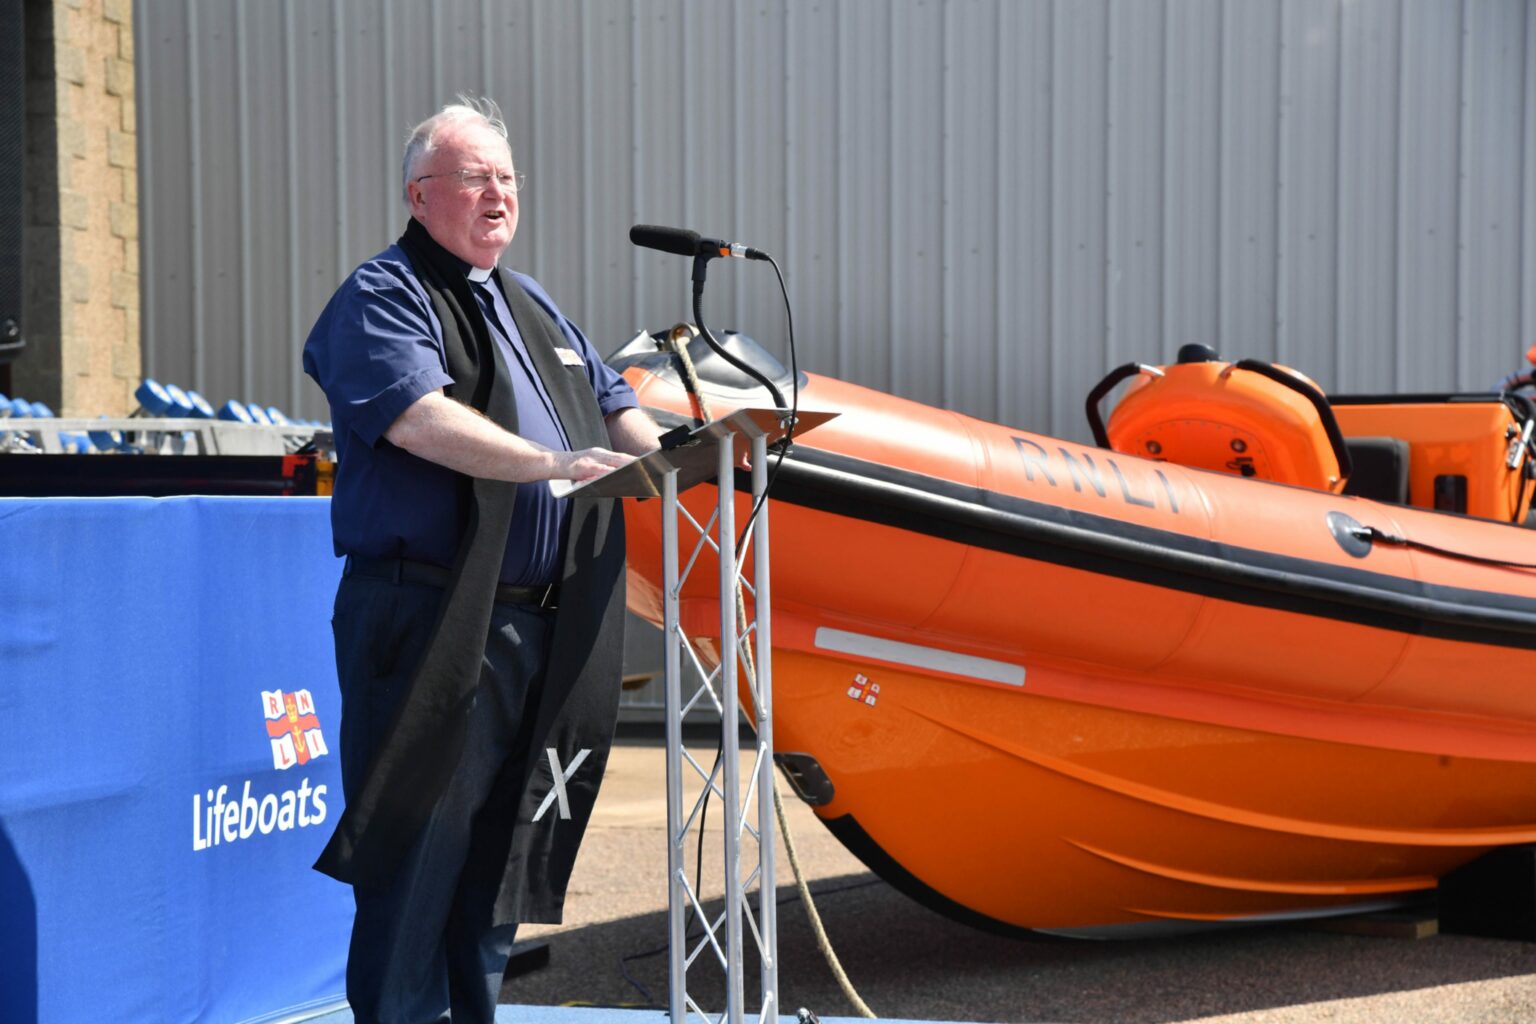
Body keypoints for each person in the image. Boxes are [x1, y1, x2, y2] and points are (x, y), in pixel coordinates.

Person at [302, 96, 659, 1024]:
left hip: (549, 625)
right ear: (421, 195)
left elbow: (617, 400)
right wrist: (553, 464)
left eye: (507, 177)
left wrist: (674, 453)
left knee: (499, 870)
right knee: (418, 867)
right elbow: (416, 417)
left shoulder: (530, 302)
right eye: (474, 177)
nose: (497, 193)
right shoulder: (382, 295)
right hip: (436, 623)